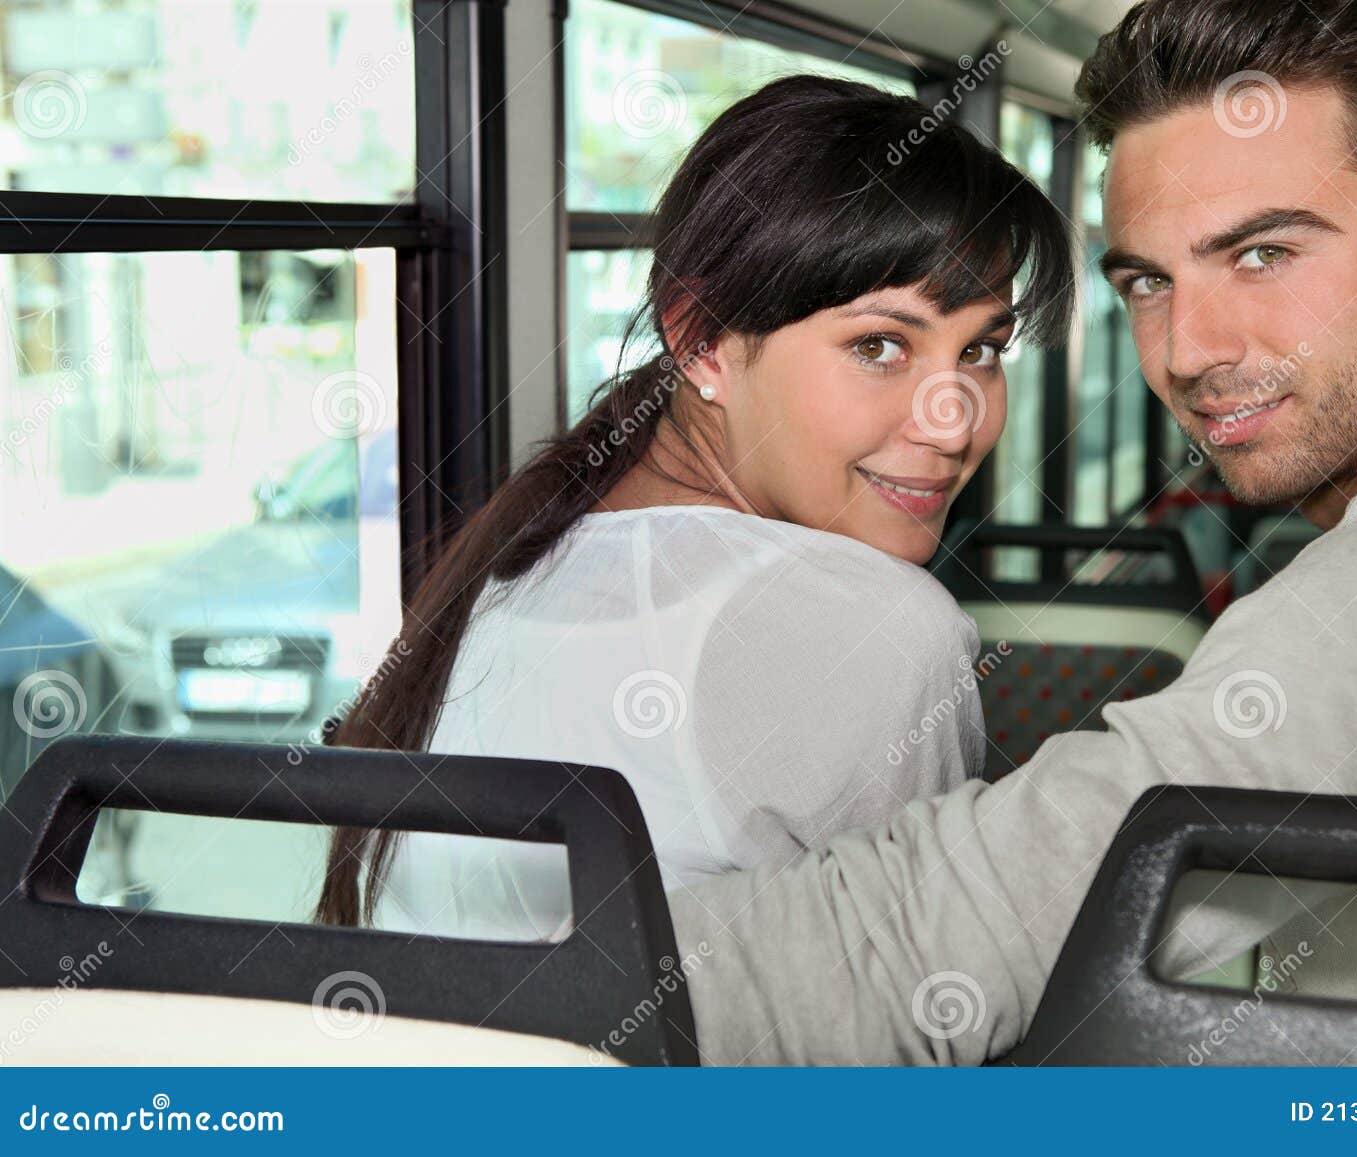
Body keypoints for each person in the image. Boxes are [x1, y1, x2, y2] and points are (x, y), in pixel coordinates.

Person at [666, 0, 1357, 1064]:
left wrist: (551, 996)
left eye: (1261, 254)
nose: (1188, 350)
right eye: (1149, 281)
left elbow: (961, 920)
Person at [311, 75, 1072, 939]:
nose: (954, 418)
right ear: (702, 340)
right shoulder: (880, 625)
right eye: (879, 345)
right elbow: (914, 1024)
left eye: (981, 349)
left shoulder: (514, 563)